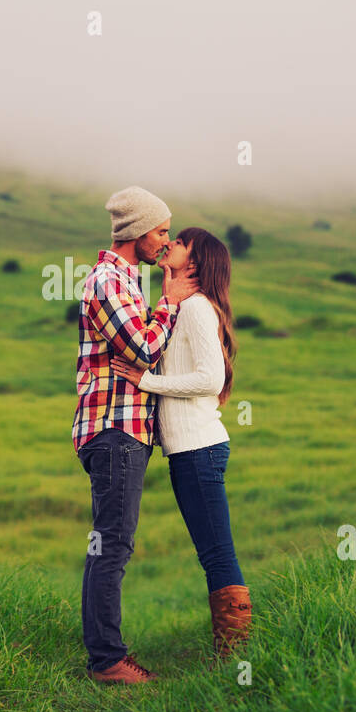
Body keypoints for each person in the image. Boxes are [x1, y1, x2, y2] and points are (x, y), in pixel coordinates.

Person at [73, 186, 198, 684]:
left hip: (124, 430)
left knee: (109, 543)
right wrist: (167, 304)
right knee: (113, 544)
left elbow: (142, 350)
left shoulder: (128, 282)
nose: (166, 243)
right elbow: (144, 349)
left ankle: (104, 654)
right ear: (139, 233)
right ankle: (107, 661)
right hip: (114, 428)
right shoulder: (107, 282)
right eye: (162, 232)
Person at [110, 227, 252, 664]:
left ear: (195, 260)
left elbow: (211, 379)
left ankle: (235, 658)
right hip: (191, 450)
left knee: (215, 552)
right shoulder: (183, 305)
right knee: (212, 550)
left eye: (181, 241)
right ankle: (232, 654)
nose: (169, 243)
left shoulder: (194, 309)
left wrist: (146, 380)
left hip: (199, 449)